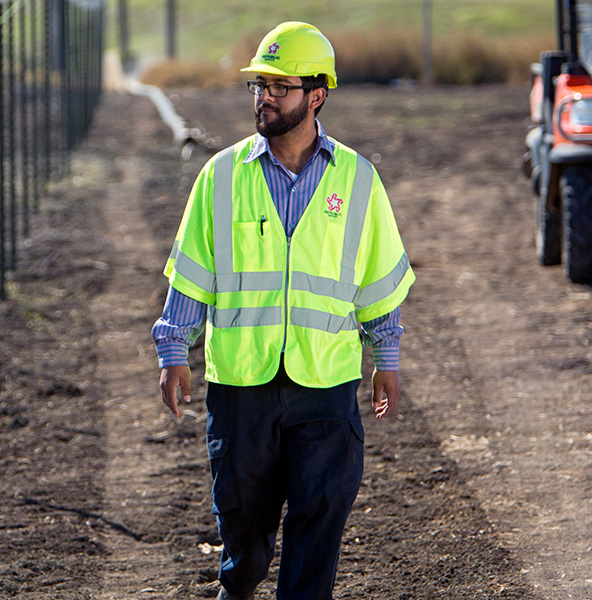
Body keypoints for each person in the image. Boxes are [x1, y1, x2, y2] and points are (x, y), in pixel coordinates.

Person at [151, 21, 414, 600]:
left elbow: (377, 283)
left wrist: (385, 361)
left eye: (279, 86)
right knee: (244, 532)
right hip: (242, 386)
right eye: (258, 86)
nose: (264, 97)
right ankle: (236, 587)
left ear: (317, 94)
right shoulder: (220, 178)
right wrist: (175, 353)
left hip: (326, 383)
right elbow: (193, 273)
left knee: (320, 522)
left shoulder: (360, 182)